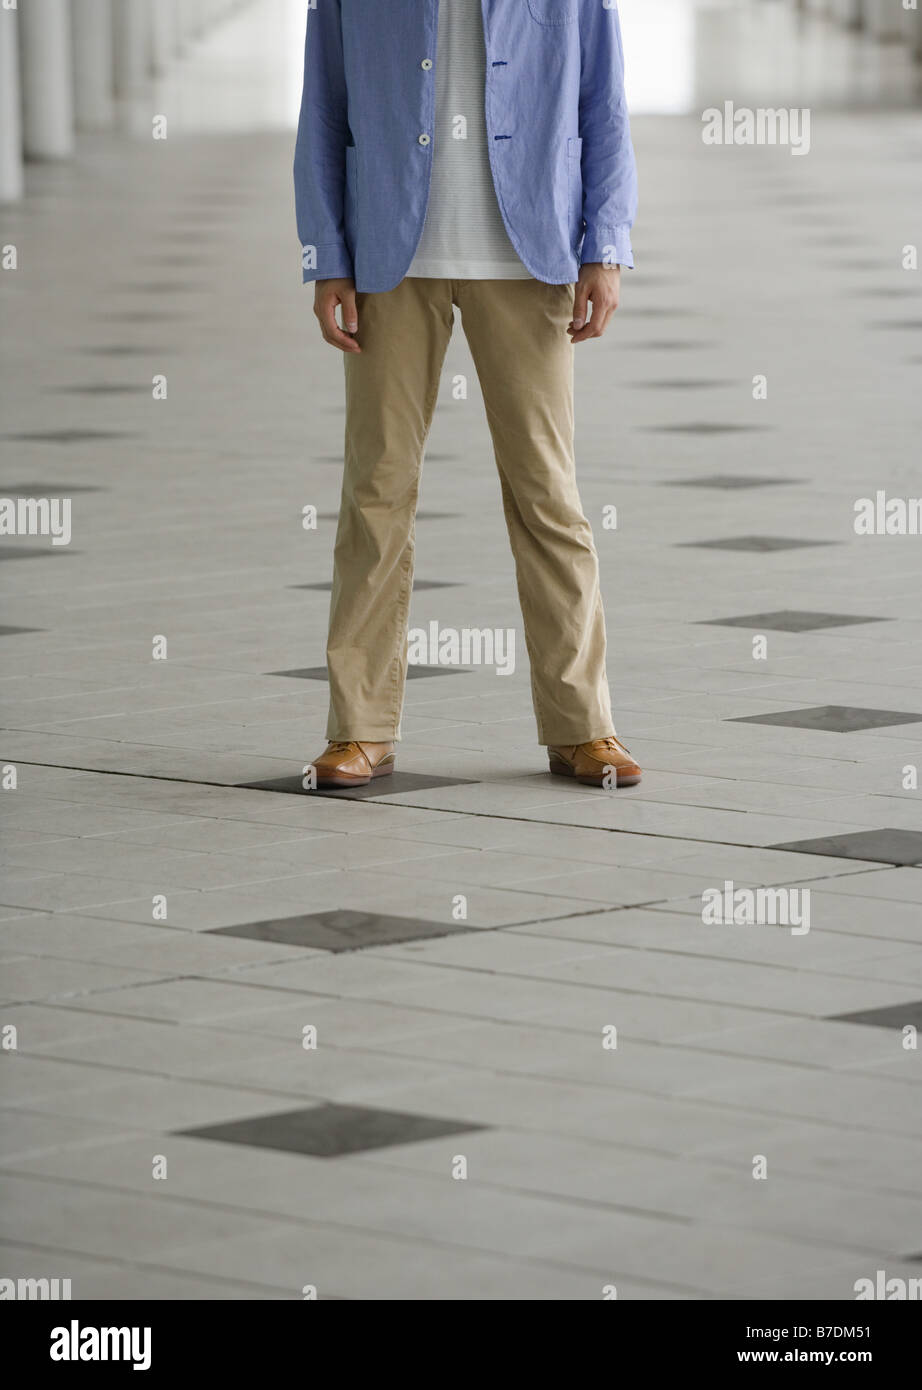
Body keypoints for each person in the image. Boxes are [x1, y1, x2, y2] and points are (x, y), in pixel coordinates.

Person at [294, 0, 641, 790]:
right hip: (391, 256)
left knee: (548, 494)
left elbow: (604, 103)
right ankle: (359, 728)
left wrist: (607, 246)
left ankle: (583, 726)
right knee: (376, 491)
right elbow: (323, 109)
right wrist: (327, 257)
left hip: (532, 257)